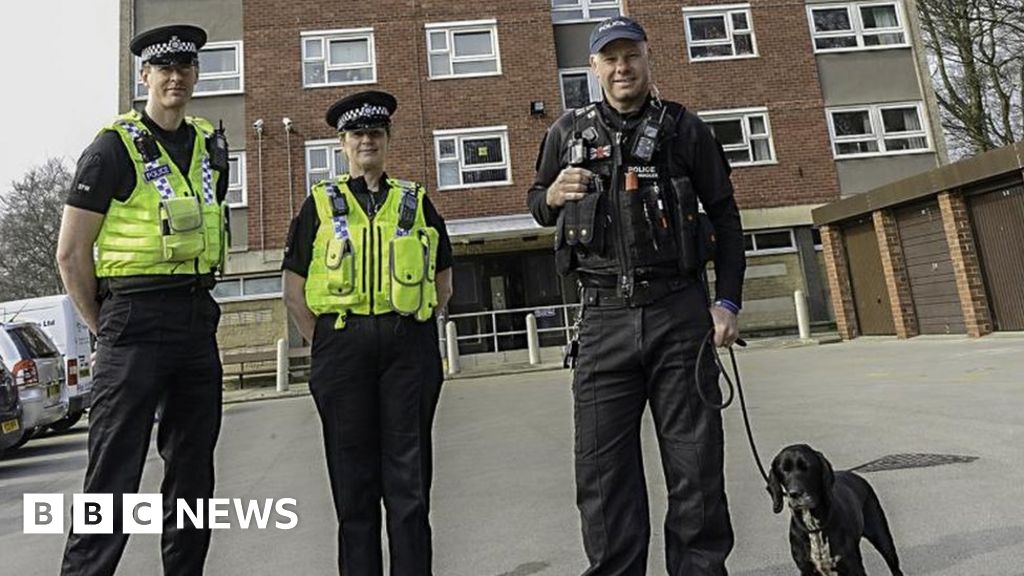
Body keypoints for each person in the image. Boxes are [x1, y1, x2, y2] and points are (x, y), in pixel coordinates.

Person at [527, 16, 747, 576]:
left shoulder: (684, 129)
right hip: (601, 320)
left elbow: (724, 216)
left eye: (632, 57)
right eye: (610, 59)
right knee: (602, 475)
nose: (622, 68)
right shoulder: (566, 133)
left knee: (695, 467)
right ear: (594, 68)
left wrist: (727, 302)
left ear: (649, 60)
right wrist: (551, 194)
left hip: (678, 314)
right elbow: (537, 201)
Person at [56, 24, 229, 576]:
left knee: (194, 475)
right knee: (112, 476)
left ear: (195, 75)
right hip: (132, 319)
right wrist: (103, 324)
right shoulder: (112, 147)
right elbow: (71, 252)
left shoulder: (211, 147)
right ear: (145, 77)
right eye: (164, 68)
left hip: (196, 319)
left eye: (185, 67)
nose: (175, 77)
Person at [282, 90, 454, 575]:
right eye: (357, 134)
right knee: (353, 489)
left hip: (408, 349)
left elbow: (444, 280)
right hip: (342, 350)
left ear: (388, 140)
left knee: (409, 486)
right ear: (342, 144)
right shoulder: (318, 204)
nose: (366, 141)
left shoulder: (416, 201)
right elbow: (294, 290)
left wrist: (414, 328)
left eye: (375, 133)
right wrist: (329, 344)